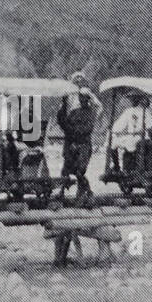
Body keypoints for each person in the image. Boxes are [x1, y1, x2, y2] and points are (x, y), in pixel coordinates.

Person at [57, 73, 100, 204]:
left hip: (83, 146)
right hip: (72, 144)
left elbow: (86, 130)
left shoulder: (91, 114)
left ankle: (86, 192)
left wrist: (72, 134)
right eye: (80, 97)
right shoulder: (74, 112)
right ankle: (62, 192)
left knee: (80, 172)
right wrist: (63, 106)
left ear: (87, 99)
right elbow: (65, 123)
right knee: (65, 170)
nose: (82, 100)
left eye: (84, 98)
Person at [109, 91, 152, 172]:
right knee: (113, 142)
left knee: (133, 143)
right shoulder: (128, 111)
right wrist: (114, 130)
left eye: (135, 99)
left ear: (139, 99)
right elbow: (119, 125)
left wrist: (142, 131)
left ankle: (134, 167)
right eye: (132, 99)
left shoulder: (146, 111)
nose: (133, 101)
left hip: (142, 137)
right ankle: (116, 166)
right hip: (130, 136)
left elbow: (150, 126)